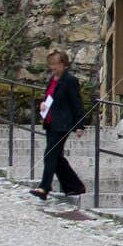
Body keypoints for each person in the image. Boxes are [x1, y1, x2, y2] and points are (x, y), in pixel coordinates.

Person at [30, 49, 86, 201]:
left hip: (62, 124)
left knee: (50, 154)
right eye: (50, 64)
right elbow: (49, 97)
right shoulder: (52, 79)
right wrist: (43, 104)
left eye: (55, 64)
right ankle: (75, 186)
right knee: (56, 157)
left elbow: (76, 103)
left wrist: (79, 125)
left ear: (63, 64)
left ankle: (44, 187)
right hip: (50, 122)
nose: (52, 67)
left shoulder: (70, 80)